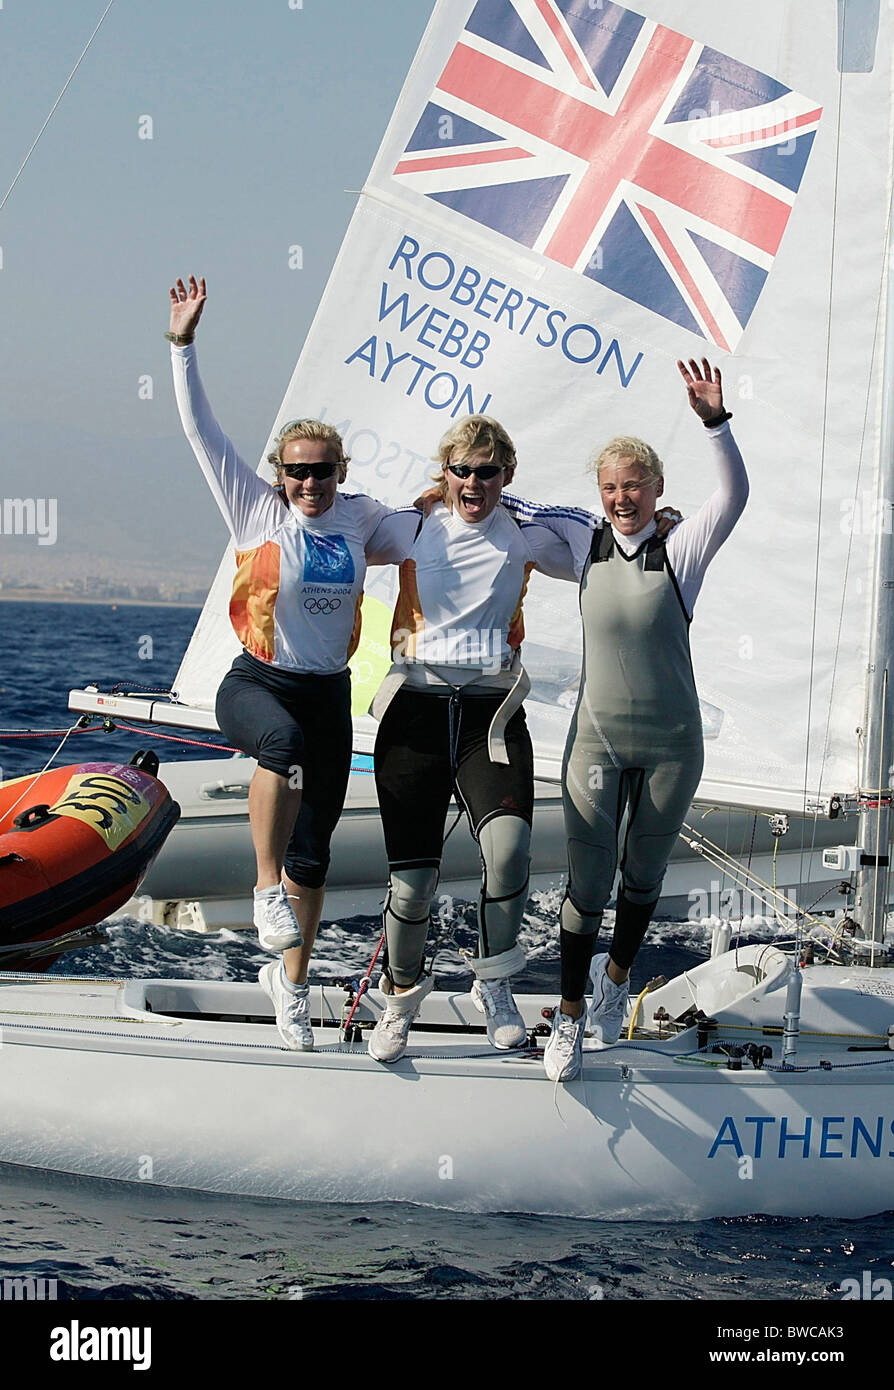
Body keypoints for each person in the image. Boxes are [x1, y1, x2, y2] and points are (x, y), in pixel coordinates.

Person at [363, 416, 680, 1064]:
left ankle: (496, 986)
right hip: (415, 713)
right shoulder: (411, 525)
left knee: (508, 852)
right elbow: (330, 531)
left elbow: (607, 549)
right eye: (461, 470)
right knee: (411, 884)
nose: (472, 482)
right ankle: (398, 1001)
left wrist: (656, 526)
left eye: (486, 471)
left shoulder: (525, 533)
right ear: (443, 471)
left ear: (506, 477)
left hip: (493, 715)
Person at [168, 275, 414, 1051]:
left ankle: (292, 984)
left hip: (328, 698)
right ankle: (261, 886)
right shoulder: (257, 511)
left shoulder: (358, 519)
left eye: (322, 470)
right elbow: (201, 433)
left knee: (318, 856)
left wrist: (461, 491)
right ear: (281, 474)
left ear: (341, 471)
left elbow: (429, 532)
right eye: (297, 471)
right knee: (277, 750)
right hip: (256, 684)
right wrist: (182, 345)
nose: (309, 482)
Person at [502, 359, 748, 1082]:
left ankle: (614, 984)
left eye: (633, 485)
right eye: (610, 487)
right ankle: (570, 1017)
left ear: (657, 489)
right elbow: (500, 511)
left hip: (673, 746)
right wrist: (449, 489)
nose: (621, 498)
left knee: (642, 880)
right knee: (588, 884)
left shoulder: (683, 549)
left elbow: (734, 494)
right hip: (596, 742)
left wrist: (715, 421)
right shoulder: (582, 541)